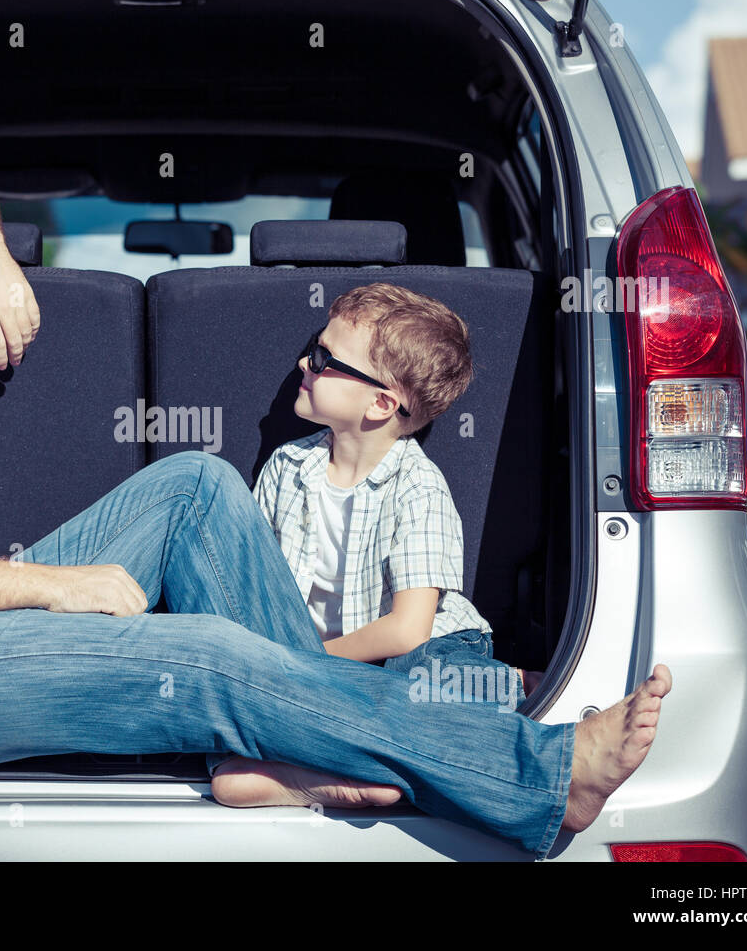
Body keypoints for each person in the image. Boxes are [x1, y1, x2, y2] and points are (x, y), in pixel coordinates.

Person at [0, 62, 671, 861]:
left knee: (198, 485)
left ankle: (265, 754)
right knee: (199, 656)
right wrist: (54, 587)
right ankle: (540, 773)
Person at [209, 284, 537, 805]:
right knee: (240, 700)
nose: (303, 363)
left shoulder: (418, 487)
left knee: (425, 679)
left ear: (381, 403)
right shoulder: (285, 467)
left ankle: (514, 687)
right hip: (327, 665)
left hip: (421, 647)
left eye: (322, 359)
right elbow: (252, 584)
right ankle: (336, 774)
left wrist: (310, 663)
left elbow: (408, 630)